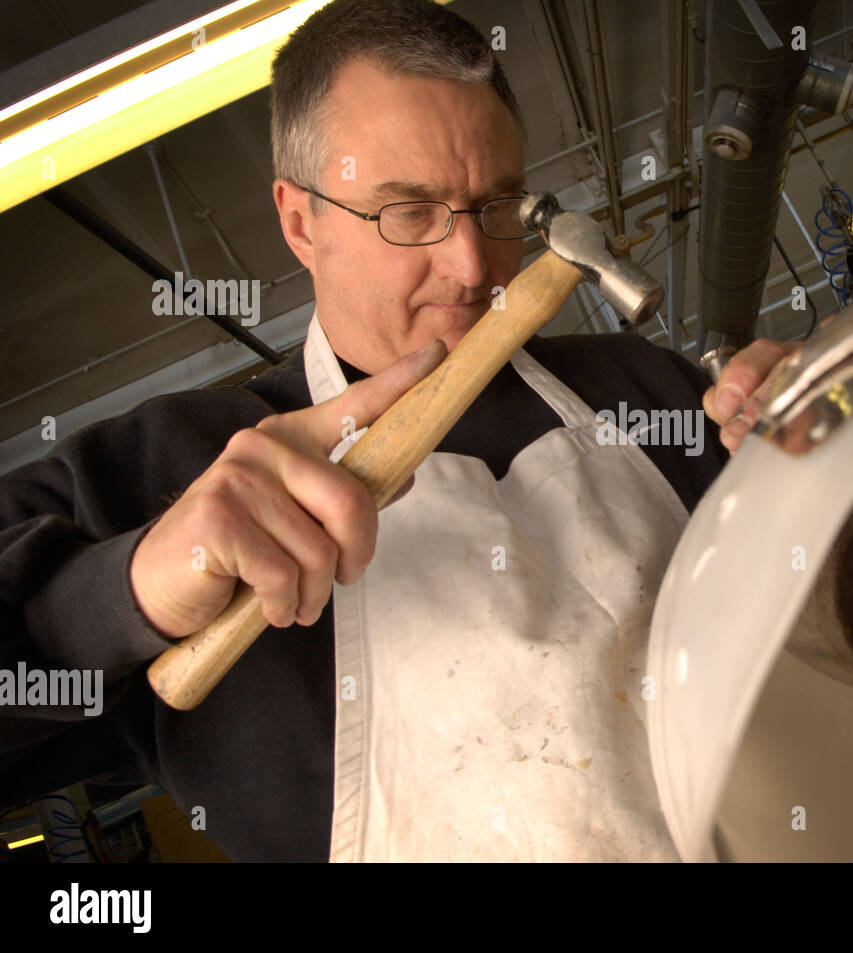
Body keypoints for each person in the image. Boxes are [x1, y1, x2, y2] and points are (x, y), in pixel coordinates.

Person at [0, 0, 793, 861]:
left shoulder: (650, 390)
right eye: (408, 212)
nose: (468, 267)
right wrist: (128, 591)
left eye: (497, 208)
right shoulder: (160, 468)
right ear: (300, 221)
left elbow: (828, 645)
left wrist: (827, 465)